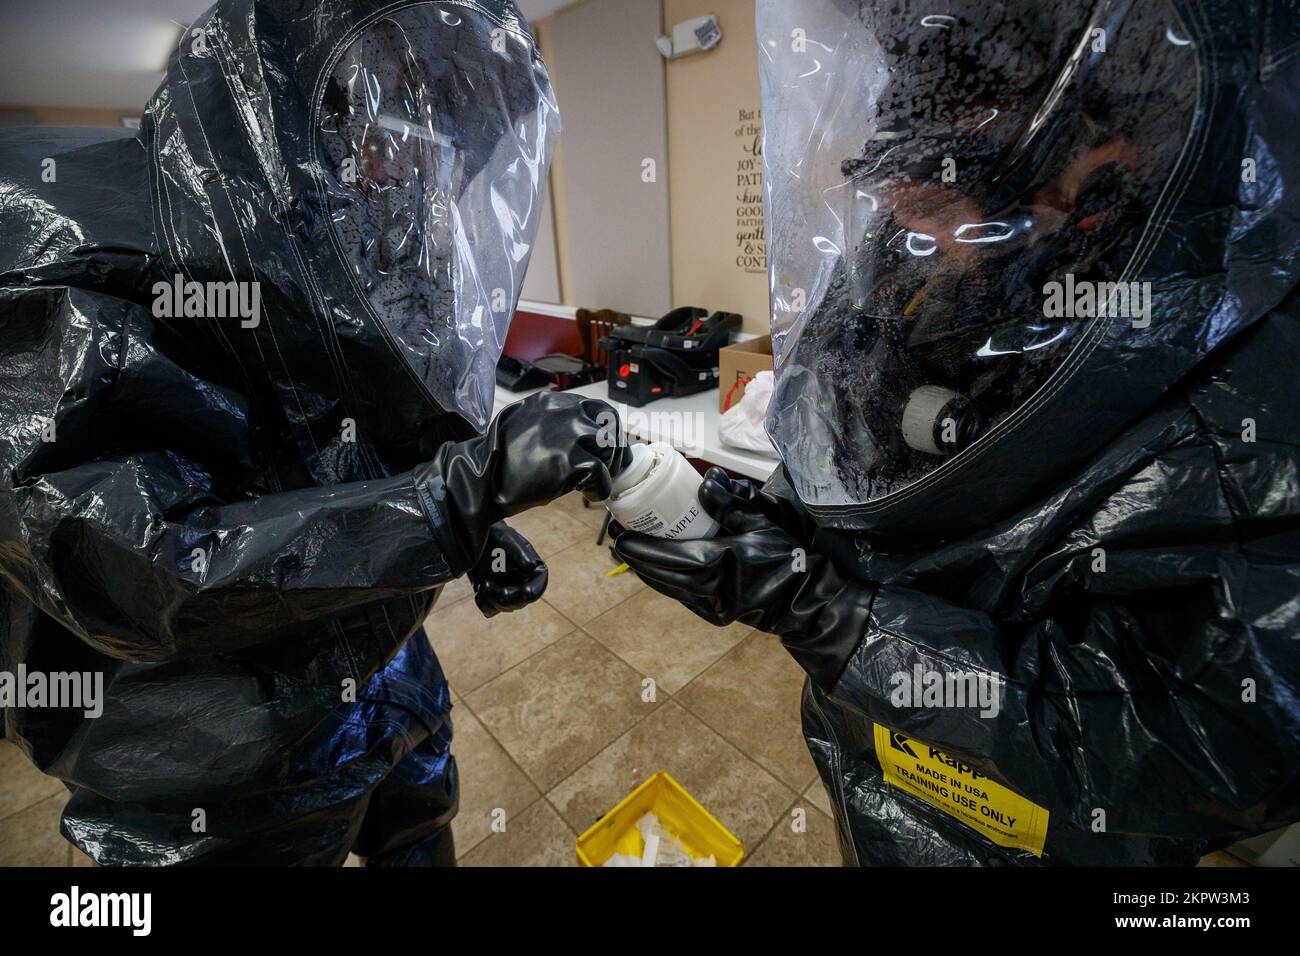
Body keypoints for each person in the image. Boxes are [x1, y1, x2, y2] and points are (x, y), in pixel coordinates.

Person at [615, 0, 1300, 864]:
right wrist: (762, 530)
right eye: (899, 202)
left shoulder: (1234, 381)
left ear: (1096, 166)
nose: (911, 229)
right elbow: (845, 459)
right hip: (870, 767)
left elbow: (1206, 741)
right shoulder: (905, 262)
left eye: (936, 200)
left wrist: (830, 617)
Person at [0, 0, 624, 865]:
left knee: (418, 831)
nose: (406, 157)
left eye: (434, 123)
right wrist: (448, 502)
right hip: (216, 759)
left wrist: (471, 517)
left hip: (389, 667)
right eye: (384, 107)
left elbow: (369, 427)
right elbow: (143, 563)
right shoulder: (73, 252)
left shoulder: (352, 234)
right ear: (289, 89)